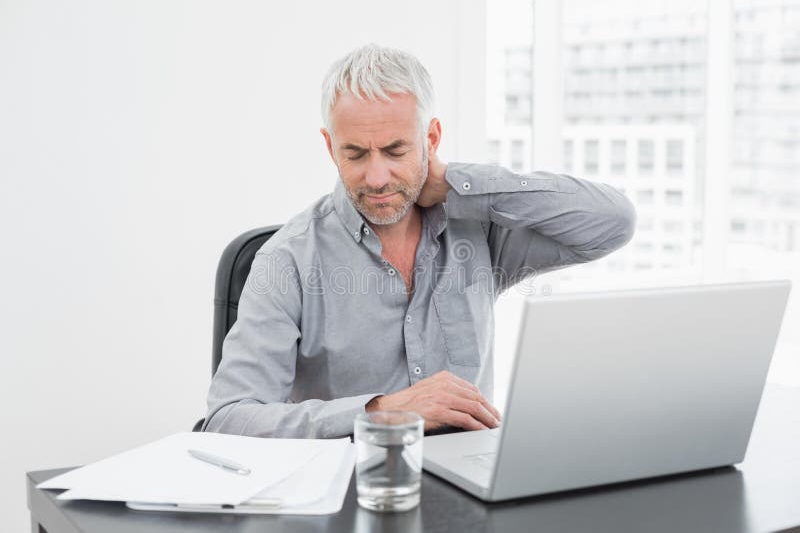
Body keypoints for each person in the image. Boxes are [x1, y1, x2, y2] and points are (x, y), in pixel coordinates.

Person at [202, 44, 636, 439]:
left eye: (395, 151)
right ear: (330, 146)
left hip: (471, 492)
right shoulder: (287, 259)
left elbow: (612, 221)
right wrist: (380, 410)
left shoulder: (480, 231)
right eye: (354, 153)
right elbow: (228, 418)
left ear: (430, 139)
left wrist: (455, 182)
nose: (376, 178)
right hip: (354, 490)